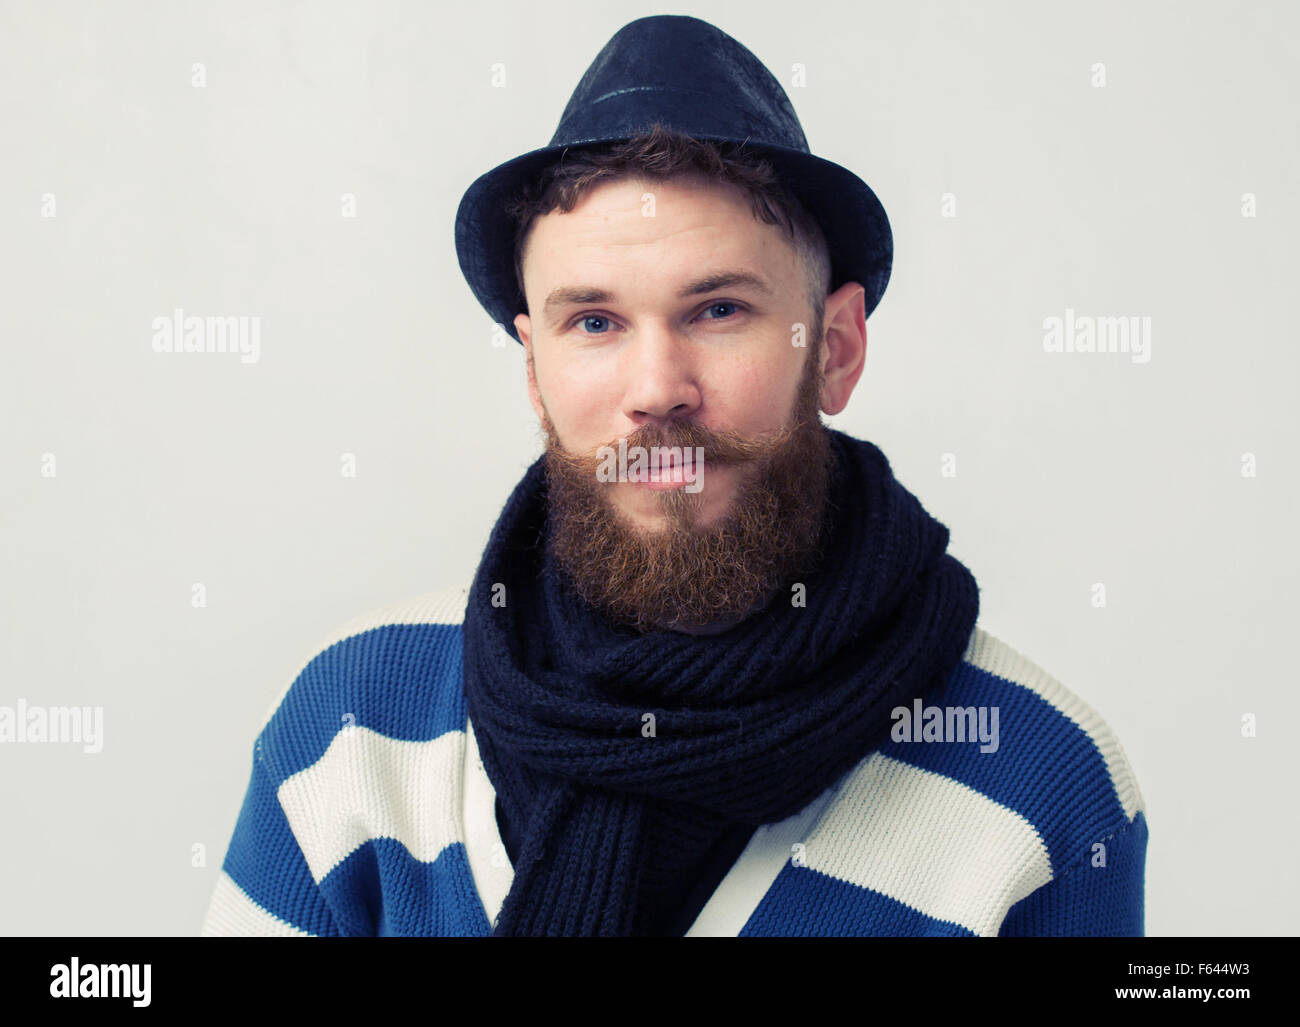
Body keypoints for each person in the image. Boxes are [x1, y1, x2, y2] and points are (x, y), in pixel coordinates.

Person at [201, 14, 1147, 937]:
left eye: (720, 309)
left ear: (837, 349)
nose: (657, 391)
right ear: (535, 372)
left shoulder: (1040, 786)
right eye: (595, 322)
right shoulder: (352, 729)